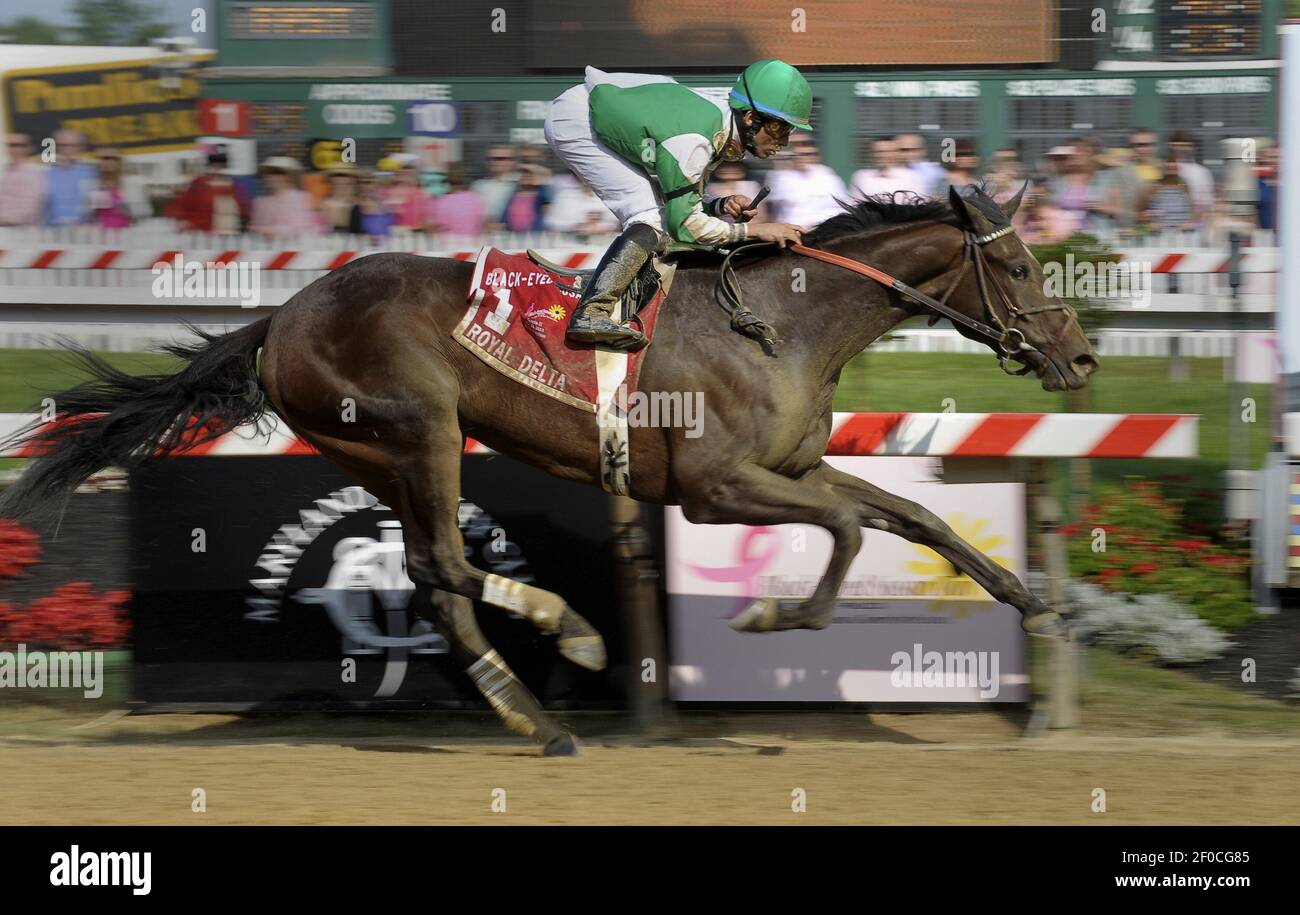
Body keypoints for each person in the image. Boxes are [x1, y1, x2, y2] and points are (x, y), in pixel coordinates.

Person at [544, 59, 810, 350]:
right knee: (648, 216)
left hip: (593, 110)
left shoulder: (718, 129)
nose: (784, 141)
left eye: (788, 131)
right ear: (749, 118)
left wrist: (721, 205)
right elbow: (684, 226)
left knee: (655, 213)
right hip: (579, 121)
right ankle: (591, 313)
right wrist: (757, 230)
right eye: (778, 128)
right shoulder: (695, 140)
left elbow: (680, 204)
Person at [166, 149, 250, 234]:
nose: (218, 169)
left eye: (222, 166)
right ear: (210, 166)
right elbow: (183, 205)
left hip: (230, 234)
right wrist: (184, 221)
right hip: (203, 234)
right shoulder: (199, 183)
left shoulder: (236, 186)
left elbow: (244, 212)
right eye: (215, 165)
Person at [249, 156, 321, 237]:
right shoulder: (260, 202)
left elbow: (301, 229)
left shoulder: (301, 198)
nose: (271, 177)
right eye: (268, 173)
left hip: (293, 247)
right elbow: (254, 229)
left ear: (288, 176)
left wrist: (268, 230)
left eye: (277, 173)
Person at [43, 129, 97, 226]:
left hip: (82, 231)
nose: (67, 150)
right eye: (62, 145)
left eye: (72, 145)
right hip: (53, 232)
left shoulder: (90, 174)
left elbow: (94, 206)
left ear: (80, 147)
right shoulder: (46, 175)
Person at [427, 162, 487, 239]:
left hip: (447, 248)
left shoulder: (439, 202)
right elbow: (484, 226)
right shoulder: (476, 199)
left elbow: (431, 231)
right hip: (472, 247)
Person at [0, 134, 47, 227]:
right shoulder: (3, 170)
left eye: (20, 145)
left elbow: (29, 207)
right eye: (11, 145)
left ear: (30, 148)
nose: (15, 149)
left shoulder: (36, 173)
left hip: (21, 230)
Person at [88, 148, 134, 228]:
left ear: (119, 162)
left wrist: (123, 206)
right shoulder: (93, 184)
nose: (108, 162)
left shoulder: (131, 184)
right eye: (104, 159)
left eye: (112, 159)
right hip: (100, 233)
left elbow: (141, 212)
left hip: (125, 233)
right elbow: (90, 214)